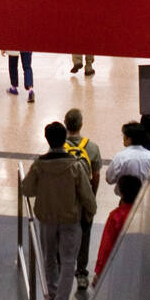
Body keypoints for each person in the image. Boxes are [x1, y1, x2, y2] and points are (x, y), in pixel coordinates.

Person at [22, 121, 96, 300]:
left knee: (49, 258)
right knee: (68, 260)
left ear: (46, 139)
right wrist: (90, 212)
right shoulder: (75, 166)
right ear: (64, 140)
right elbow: (87, 195)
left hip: (47, 218)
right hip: (71, 220)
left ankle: (51, 295)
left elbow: (26, 189)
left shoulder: (39, 165)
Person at [63, 109, 102, 290]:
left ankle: (61, 270)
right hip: (84, 201)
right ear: (81, 124)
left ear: (66, 124)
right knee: (84, 235)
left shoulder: (58, 146)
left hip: (64, 202)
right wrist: (91, 197)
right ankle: (81, 273)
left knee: (62, 236)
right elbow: (96, 176)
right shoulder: (92, 148)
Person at [93, 175, 142, 286]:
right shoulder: (143, 216)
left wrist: (100, 271)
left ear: (122, 193)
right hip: (138, 269)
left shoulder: (116, 216)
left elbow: (106, 246)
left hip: (118, 267)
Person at [105, 122, 150, 193]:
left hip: (127, 201)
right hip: (148, 199)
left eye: (123, 135)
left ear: (129, 139)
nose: (123, 138)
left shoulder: (120, 157)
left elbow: (109, 179)